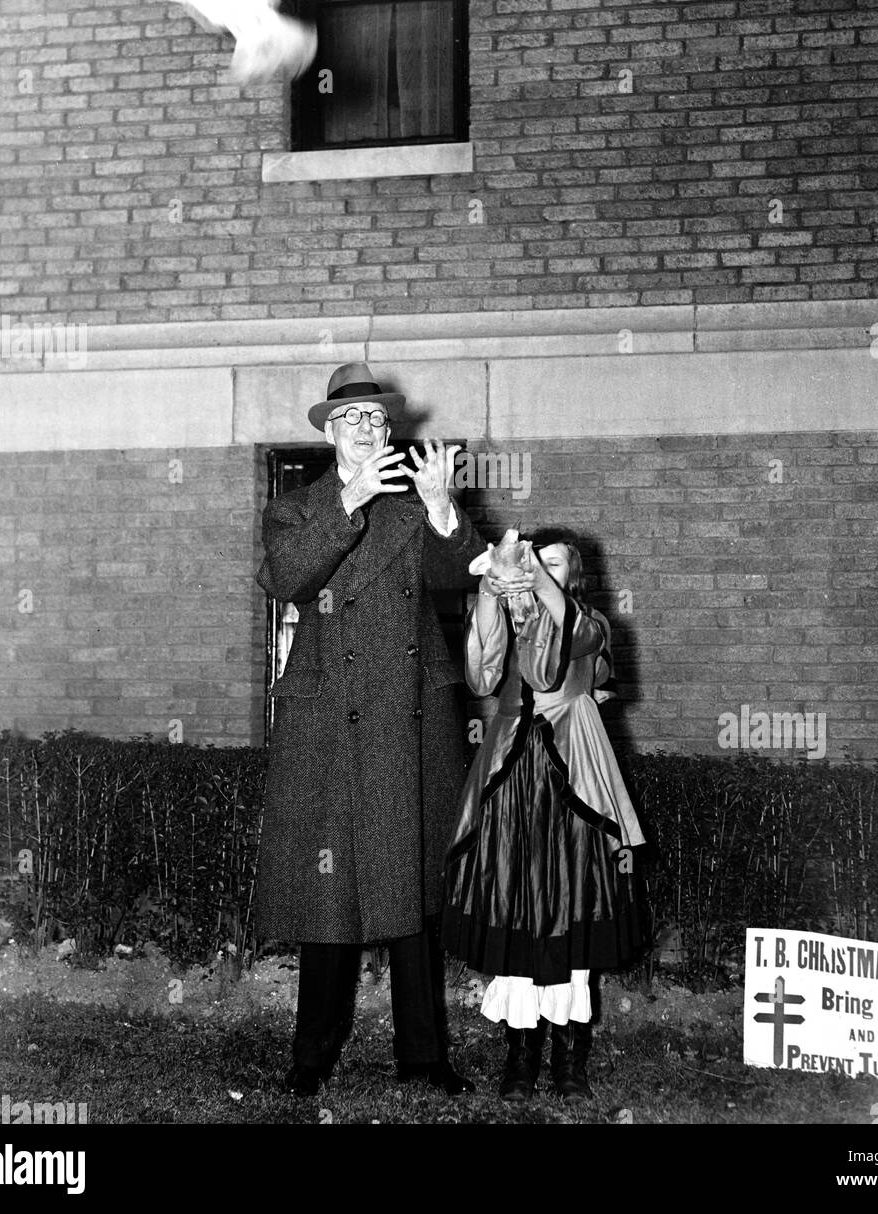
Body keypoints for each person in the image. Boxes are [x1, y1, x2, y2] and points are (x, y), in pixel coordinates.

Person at [255, 362, 487, 1098]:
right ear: (327, 431)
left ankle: (424, 1056)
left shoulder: (415, 504)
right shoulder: (296, 509)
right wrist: (350, 501)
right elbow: (287, 578)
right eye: (351, 419)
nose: (367, 429)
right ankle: (311, 1054)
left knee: (412, 893)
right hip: (328, 723)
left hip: (408, 717)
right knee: (328, 899)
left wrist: (443, 505)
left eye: (378, 420)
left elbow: (459, 574)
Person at [440, 528, 646, 1103]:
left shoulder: (595, 626)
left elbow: (562, 653)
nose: (537, 573)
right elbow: (482, 677)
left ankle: (569, 1062)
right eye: (533, 564)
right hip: (508, 777)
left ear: (572, 579)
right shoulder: (508, 614)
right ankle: (521, 1056)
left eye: (551, 566)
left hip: (574, 781)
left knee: (570, 905)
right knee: (514, 902)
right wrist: (488, 586)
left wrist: (533, 580)